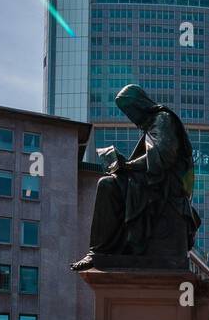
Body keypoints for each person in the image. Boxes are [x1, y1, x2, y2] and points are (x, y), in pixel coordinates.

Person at [71, 85, 200, 270]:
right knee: (110, 183)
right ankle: (101, 251)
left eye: (131, 110)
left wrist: (127, 165)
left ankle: (98, 251)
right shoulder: (152, 125)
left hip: (164, 184)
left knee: (107, 184)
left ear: (140, 104)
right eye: (127, 112)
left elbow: (163, 155)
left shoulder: (163, 118)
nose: (131, 116)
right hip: (151, 180)